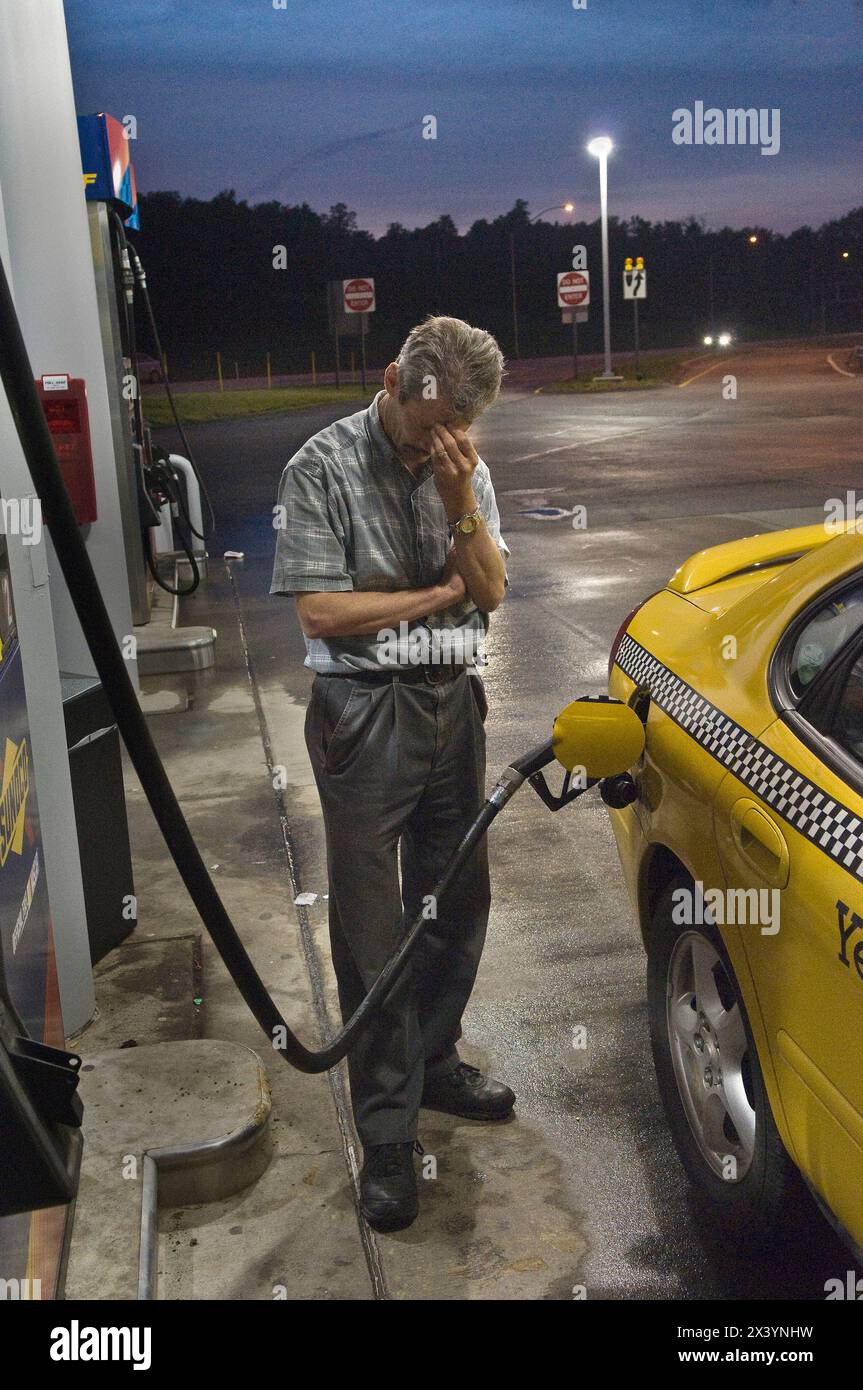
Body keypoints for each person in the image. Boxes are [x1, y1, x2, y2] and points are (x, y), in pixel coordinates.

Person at [270, 315, 513, 1232]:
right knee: (374, 927)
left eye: (457, 430)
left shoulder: (463, 468)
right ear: (391, 380)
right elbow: (324, 614)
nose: (437, 445)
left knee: (459, 895)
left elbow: (489, 590)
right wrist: (434, 596)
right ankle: (385, 1131)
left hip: (454, 703)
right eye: (425, 427)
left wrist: (458, 499)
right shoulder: (320, 467)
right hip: (365, 715)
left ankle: (436, 1058)